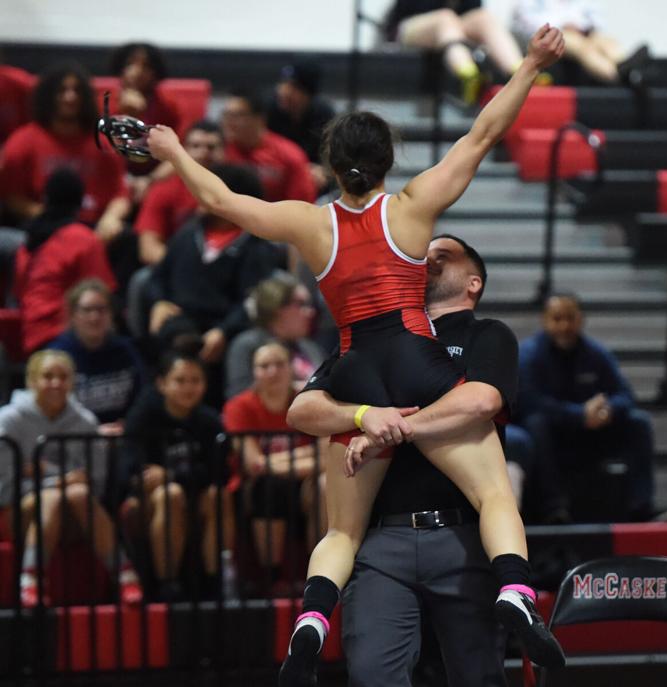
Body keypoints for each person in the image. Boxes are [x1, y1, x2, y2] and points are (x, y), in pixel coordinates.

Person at [146, 25, 566, 681]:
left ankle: (313, 618)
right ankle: (514, 591)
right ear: (387, 159)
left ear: (331, 164)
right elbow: (482, 134)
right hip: (414, 353)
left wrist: (170, 147)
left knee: (342, 531)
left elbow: (220, 200)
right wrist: (532, 64)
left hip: (353, 367)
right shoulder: (412, 208)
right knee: (493, 496)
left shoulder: (312, 223)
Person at [288, 234, 515, 687]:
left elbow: (482, 400)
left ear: (474, 283)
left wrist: (394, 429)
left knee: (479, 676)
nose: (426, 259)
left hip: (461, 534)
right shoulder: (372, 339)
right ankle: (311, 620)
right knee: (373, 675)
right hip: (381, 539)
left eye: (443, 256)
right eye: (422, 255)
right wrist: (363, 414)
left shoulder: (486, 334)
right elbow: (301, 410)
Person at [0, 350, 141, 607]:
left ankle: (124, 577)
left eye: (63, 376)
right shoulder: (8, 421)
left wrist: (40, 472)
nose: (56, 383)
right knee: (55, 496)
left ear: (73, 382)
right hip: (19, 512)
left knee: (78, 495)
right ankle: (32, 579)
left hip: (75, 514)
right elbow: (5, 489)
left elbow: (95, 486)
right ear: (31, 381)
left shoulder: (85, 421)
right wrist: (60, 481)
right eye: (48, 376)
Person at [516, 293, 656, 522]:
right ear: (545, 320)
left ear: (581, 320)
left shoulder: (596, 353)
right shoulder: (528, 355)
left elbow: (625, 395)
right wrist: (579, 414)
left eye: (570, 318)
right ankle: (554, 506)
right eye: (557, 319)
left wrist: (608, 409)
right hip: (552, 435)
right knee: (536, 422)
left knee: (638, 422)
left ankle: (641, 506)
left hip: (592, 431)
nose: (564, 325)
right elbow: (530, 402)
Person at [120, 348, 235, 600]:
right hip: (147, 502)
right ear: (162, 383)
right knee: (169, 495)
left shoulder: (209, 422)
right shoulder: (143, 416)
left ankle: (217, 582)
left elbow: (219, 473)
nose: (188, 388)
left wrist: (171, 475)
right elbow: (129, 469)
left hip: (195, 495)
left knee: (218, 495)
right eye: (180, 380)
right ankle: (167, 584)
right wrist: (151, 479)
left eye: (195, 381)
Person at [144, 163, 281, 369]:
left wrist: (224, 331)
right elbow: (159, 275)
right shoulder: (188, 233)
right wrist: (159, 302)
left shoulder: (255, 245)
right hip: (181, 321)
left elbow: (253, 299)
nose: (199, 197)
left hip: (223, 328)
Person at [223, 341, 321, 591]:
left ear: (292, 368)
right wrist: (308, 455)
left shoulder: (309, 401)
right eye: (264, 366)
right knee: (271, 487)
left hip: (305, 484)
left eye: (279, 364)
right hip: (257, 486)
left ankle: (320, 574)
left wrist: (269, 462)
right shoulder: (239, 406)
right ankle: (272, 577)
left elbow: (326, 457)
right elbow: (252, 463)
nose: (273, 371)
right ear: (253, 372)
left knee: (327, 484)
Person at [0, 62, 130, 235]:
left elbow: (121, 194)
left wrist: (111, 219)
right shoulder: (23, 141)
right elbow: (11, 197)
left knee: (128, 238)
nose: (70, 97)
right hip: (42, 227)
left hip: (95, 229)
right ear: (48, 96)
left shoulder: (103, 141)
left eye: (76, 91)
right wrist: (48, 216)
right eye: (62, 91)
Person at [13, 168, 117, 354]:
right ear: (79, 201)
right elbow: (101, 291)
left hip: (29, 336)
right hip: (63, 336)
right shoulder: (82, 238)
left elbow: (20, 290)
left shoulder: (27, 243)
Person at [384, 0, 531, 105]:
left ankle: (522, 73)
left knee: (482, 17)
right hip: (409, 26)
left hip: (453, 27)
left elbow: (473, 9)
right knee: (445, 18)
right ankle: (468, 76)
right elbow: (415, 7)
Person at [48, 278, 145, 434]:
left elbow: (142, 398)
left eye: (101, 309)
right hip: (73, 442)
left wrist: (130, 424)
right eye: (87, 310)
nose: (95, 317)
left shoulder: (126, 351)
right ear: (73, 315)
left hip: (120, 437)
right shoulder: (58, 355)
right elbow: (49, 410)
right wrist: (94, 432)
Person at [133, 120, 226, 266]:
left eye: (211, 147)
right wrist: (190, 268)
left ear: (225, 152)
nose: (203, 152)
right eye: (195, 146)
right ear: (184, 150)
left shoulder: (236, 187)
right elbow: (149, 250)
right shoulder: (164, 189)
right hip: (177, 266)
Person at [224, 272, 327, 399]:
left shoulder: (311, 348)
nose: (310, 312)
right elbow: (238, 398)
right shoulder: (247, 345)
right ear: (277, 307)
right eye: (301, 304)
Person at [511, 0, 649, 84]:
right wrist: (564, 25)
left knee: (607, 42)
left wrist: (581, 27)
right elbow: (528, 24)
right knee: (582, 47)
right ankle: (621, 76)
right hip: (554, 37)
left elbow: (597, 19)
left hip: (583, 34)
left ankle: (625, 65)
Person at [108, 41, 181, 196]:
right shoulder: (106, 104)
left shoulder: (168, 107)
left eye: (146, 66)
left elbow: (178, 154)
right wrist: (129, 116)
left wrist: (150, 180)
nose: (137, 71)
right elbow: (104, 152)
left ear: (156, 72)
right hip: (114, 177)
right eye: (130, 64)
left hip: (154, 177)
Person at [221, 89, 316, 203]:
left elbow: (302, 204)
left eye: (237, 115)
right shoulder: (218, 151)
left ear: (259, 119)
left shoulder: (289, 155)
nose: (229, 121)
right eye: (226, 115)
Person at [266, 62, 336, 192]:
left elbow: (332, 159)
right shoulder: (268, 110)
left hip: (311, 181)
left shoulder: (324, 115)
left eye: (293, 87)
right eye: (283, 84)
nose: (283, 91)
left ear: (308, 93)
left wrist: (324, 171)